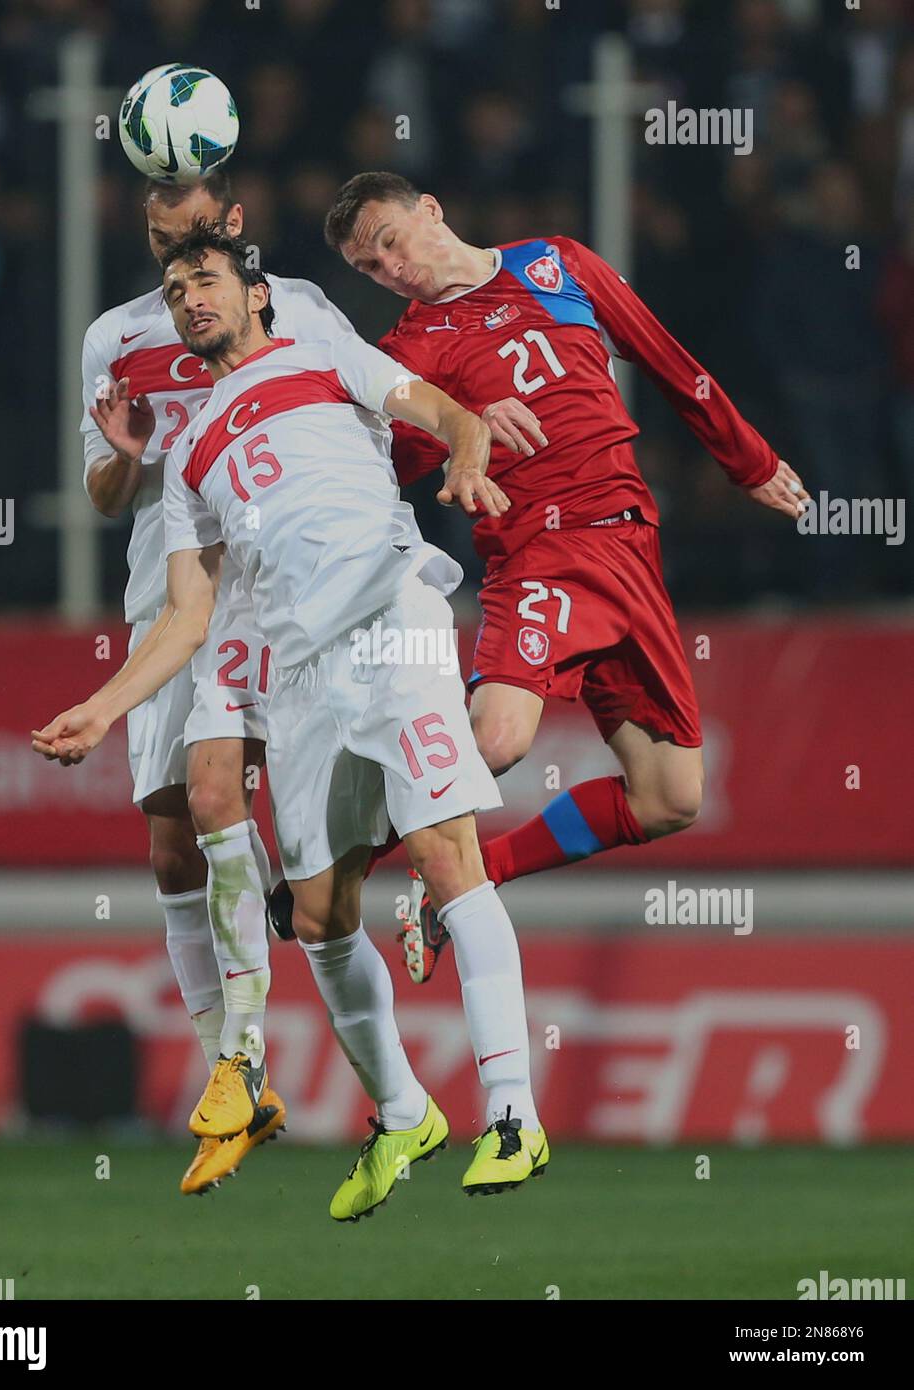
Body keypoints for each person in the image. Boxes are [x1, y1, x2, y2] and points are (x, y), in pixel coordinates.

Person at [36, 225, 549, 1219]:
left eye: (208, 279)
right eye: (176, 286)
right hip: (301, 673)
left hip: (391, 619)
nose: (190, 297)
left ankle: (512, 1112)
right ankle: (403, 1111)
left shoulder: (323, 347)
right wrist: (102, 710)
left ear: (257, 293)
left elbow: (439, 408)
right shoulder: (184, 459)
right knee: (317, 916)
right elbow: (188, 618)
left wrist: (468, 451)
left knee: (449, 857)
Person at [324, 171, 809, 982]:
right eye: (369, 268)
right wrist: (461, 431)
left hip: (630, 548)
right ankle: (338, 863)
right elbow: (372, 470)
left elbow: (667, 361)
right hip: (540, 547)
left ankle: (461, 885)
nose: (390, 268)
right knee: (496, 740)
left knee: (668, 798)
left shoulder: (556, 264)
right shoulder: (407, 355)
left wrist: (747, 460)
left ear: (430, 210)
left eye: (388, 241)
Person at [81, 166, 355, 1193]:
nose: (174, 262)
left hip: (279, 590)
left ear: (234, 224)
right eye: (158, 241)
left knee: (285, 840)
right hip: (172, 591)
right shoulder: (114, 338)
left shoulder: (302, 309)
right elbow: (106, 492)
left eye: (191, 237)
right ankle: (236, 1077)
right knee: (169, 843)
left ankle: (262, 1052)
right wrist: (123, 455)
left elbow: (356, 411)